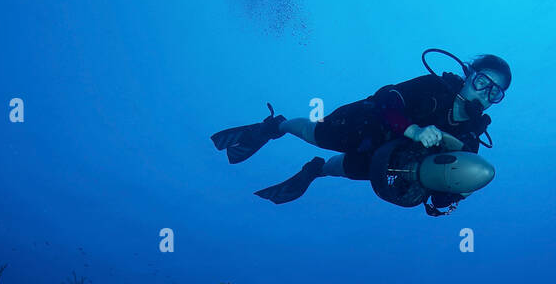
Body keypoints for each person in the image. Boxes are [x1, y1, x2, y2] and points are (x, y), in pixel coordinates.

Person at [211, 52, 510, 215]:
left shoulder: (470, 140)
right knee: (317, 135)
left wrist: (458, 194)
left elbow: (440, 196)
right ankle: (276, 125)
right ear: (468, 74)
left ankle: (315, 170)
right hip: (366, 125)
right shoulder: (435, 89)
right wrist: (414, 129)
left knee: (346, 168)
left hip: (389, 160)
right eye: (483, 81)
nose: (486, 93)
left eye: (496, 92)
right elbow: (387, 99)